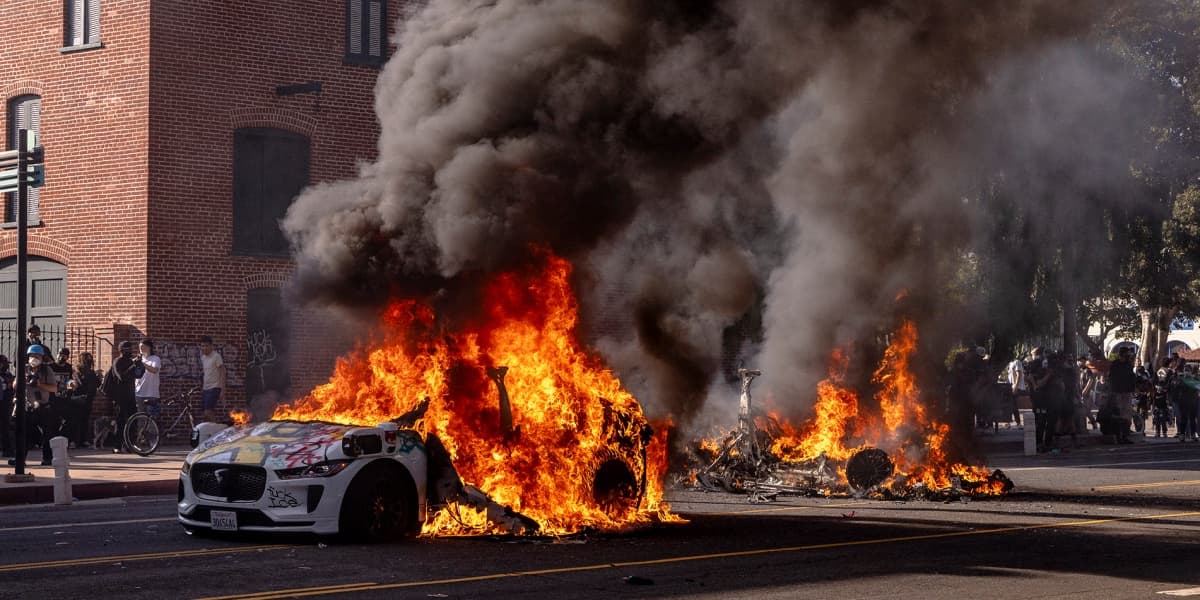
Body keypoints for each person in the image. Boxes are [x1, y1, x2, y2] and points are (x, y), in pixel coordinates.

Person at [8, 344, 60, 466]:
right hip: (28, 407)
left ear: (42, 358)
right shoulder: (24, 369)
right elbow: (14, 387)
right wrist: (21, 380)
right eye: (32, 356)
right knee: (23, 434)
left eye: (37, 356)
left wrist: (39, 384)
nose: (34, 359)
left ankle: (47, 458)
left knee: (48, 434)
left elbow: (54, 388)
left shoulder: (47, 371)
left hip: (43, 406)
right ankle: (20, 459)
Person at [106, 341, 140, 453]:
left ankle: (129, 444)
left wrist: (139, 365)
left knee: (133, 420)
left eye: (131, 349)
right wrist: (132, 366)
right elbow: (121, 376)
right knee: (120, 421)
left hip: (130, 395)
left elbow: (138, 375)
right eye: (128, 349)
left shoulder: (130, 361)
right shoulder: (118, 361)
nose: (130, 351)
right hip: (119, 396)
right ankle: (117, 445)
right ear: (122, 350)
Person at [68, 352, 101, 448]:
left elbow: (97, 385)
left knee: (85, 420)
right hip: (78, 399)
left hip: (88, 399)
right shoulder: (77, 372)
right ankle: (73, 440)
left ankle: (83, 440)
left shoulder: (91, 373)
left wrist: (98, 377)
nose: (89, 362)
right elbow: (79, 384)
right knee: (76, 420)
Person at [1108, 346, 1137, 444]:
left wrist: (1133, 388)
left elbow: (1132, 377)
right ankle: (1118, 436)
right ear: (1123, 354)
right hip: (1118, 392)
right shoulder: (1115, 364)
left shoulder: (1128, 364)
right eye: (1127, 353)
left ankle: (1125, 435)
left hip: (1127, 392)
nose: (1128, 355)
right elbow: (1111, 379)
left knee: (1127, 415)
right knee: (1119, 414)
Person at [49, 348, 74, 447]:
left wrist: (71, 384)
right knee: (53, 420)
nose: (61, 356)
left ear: (67, 357)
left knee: (69, 419)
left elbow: (70, 380)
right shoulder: (51, 367)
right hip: (52, 398)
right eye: (59, 354)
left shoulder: (68, 367)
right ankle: (53, 441)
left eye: (64, 355)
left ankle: (64, 439)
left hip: (64, 398)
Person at [199, 335, 225, 423]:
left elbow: (222, 372)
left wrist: (222, 389)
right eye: (202, 346)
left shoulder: (216, 356)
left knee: (208, 412)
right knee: (204, 413)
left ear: (211, 346)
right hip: (206, 388)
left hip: (214, 387)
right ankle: (210, 432)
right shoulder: (203, 358)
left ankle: (217, 431)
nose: (204, 348)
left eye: (206, 346)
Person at [134, 340, 161, 419]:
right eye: (139, 347)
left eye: (143, 347)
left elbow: (154, 370)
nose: (141, 349)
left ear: (149, 347)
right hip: (139, 393)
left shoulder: (155, 359)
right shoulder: (137, 359)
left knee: (152, 419)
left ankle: (152, 432)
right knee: (140, 418)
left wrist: (143, 363)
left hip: (151, 394)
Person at [0, 356, 12, 457]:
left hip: (4, 402)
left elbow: (11, 387)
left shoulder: (7, 375)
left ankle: (6, 449)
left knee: (5, 426)